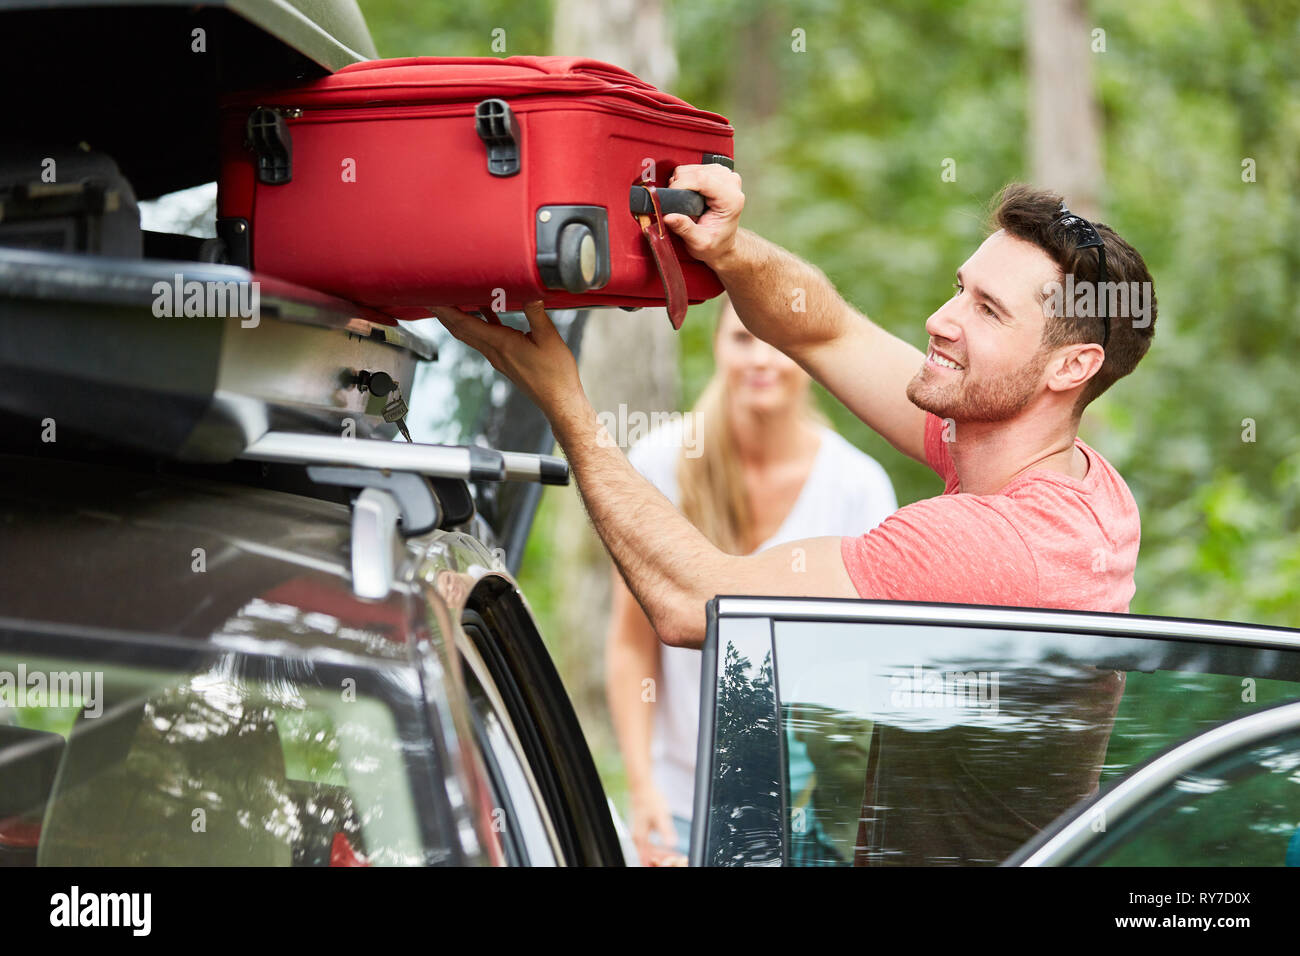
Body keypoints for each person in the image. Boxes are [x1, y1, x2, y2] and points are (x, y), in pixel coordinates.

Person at [431, 172, 1157, 652]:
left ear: (1072, 367)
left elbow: (696, 604)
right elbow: (824, 328)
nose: (940, 319)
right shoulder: (1075, 480)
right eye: (960, 288)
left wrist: (564, 401)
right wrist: (730, 248)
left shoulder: (993, 547)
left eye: (988, 311)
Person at [606, 296, 896, 864]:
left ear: (810, 356)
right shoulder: (661, 461)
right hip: (680, 802)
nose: (760, 359)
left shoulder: (858, 486)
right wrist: (642, 791)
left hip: (806, 810)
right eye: (742, 339)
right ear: (716, 345)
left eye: (779, 342)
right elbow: (630, 645)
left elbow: (870, 673)